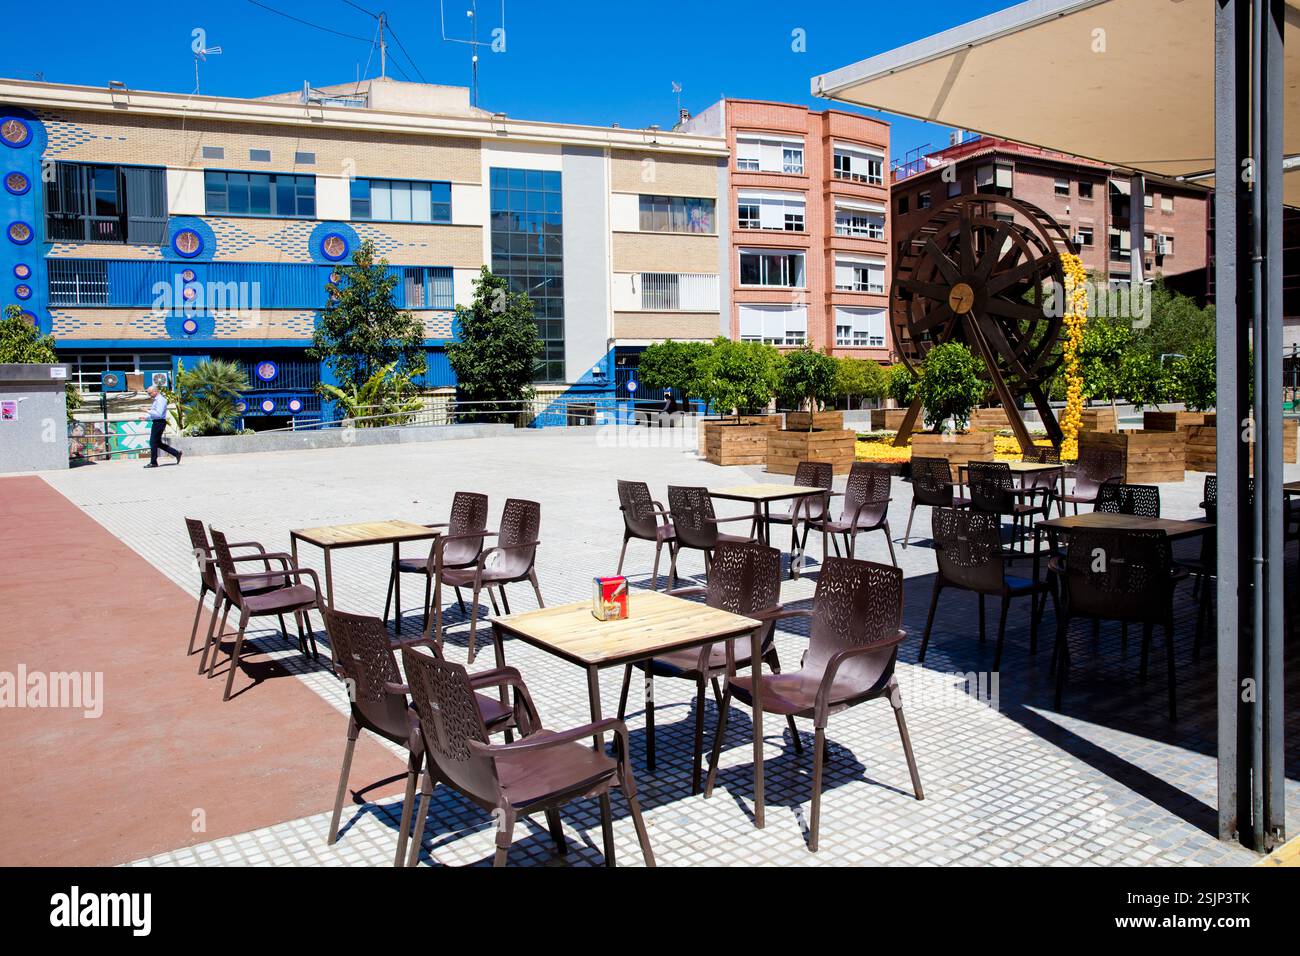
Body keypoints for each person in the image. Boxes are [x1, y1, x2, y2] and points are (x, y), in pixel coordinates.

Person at [142, 385, 182, 468]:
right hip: (157, 422)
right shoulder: (156, 400)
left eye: (150, 393)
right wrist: (146, 417)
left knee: (153, 442)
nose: (149, 395)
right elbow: (155, 412)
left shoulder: (161, 400)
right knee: (158, 443)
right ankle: (176, 453)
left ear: (155, 392)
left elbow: (159, 414)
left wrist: (147, 411)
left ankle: (153, 462)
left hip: (159, 423)